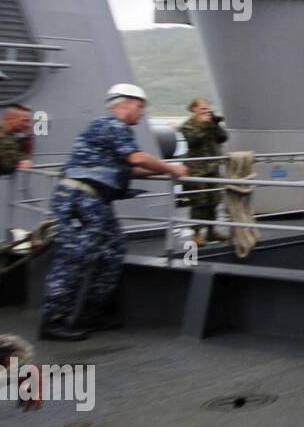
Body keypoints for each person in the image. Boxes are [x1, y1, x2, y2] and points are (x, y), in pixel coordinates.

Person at [40, 84, 188, 341]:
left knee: (112, 250)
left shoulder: (113, 131)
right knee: (73, 257)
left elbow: (130, 169)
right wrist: (172, 169)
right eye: (140, 107)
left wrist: (164, 170)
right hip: (80, 198)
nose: (141, 113)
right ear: (125, 104)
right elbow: (137, 159)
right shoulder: (112, 125)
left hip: (96, 202)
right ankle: (52, 320)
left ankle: (90, 313)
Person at [179, 98, 229, 244]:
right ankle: (196, 233)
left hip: (213, 167)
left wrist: (216, 125)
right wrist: (205, 125)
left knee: (214, 200)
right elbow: (194, 140)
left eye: (207, 108)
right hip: (197, 169)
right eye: (202, 108)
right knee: (199, 201)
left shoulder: (210, 123)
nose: (206, 111)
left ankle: (211, 231)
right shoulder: (188, 125)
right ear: (194, 109)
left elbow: (223, 138)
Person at [0, 103, 33, 179]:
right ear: (10, 120)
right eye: (24, 120)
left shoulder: (9, 137)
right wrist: (22, 162)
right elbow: (7, 166)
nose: (28, 125)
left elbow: (17, 154)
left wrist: (24, 159)